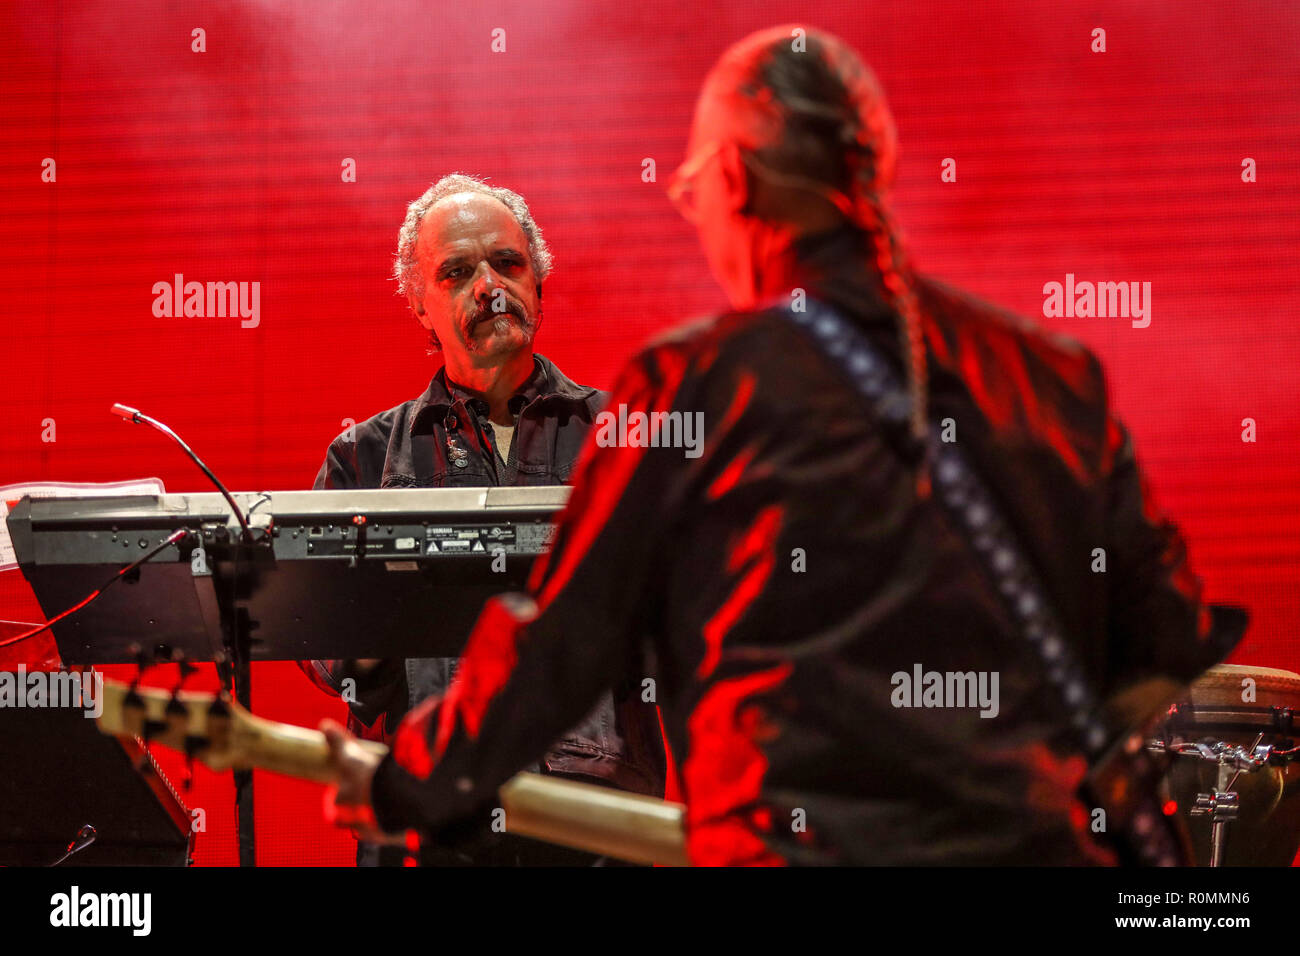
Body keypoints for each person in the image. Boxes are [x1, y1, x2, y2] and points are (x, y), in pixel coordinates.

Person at [322, 27, 1245, 865]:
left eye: (695, 192)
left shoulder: (693, 387)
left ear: (731, 182)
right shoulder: (1053, 372)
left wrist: (406, 782)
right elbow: (1163, 642)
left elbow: (564, 648)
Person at [302, 173, 664, 865]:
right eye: (458, 272)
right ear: (419, 306)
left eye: (507, 263)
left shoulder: (624, 437)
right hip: (432, 822)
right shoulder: (363, 455)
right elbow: (327, 657)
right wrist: (385, 610)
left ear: (539, 282)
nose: (490, 286)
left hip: (599, 813)